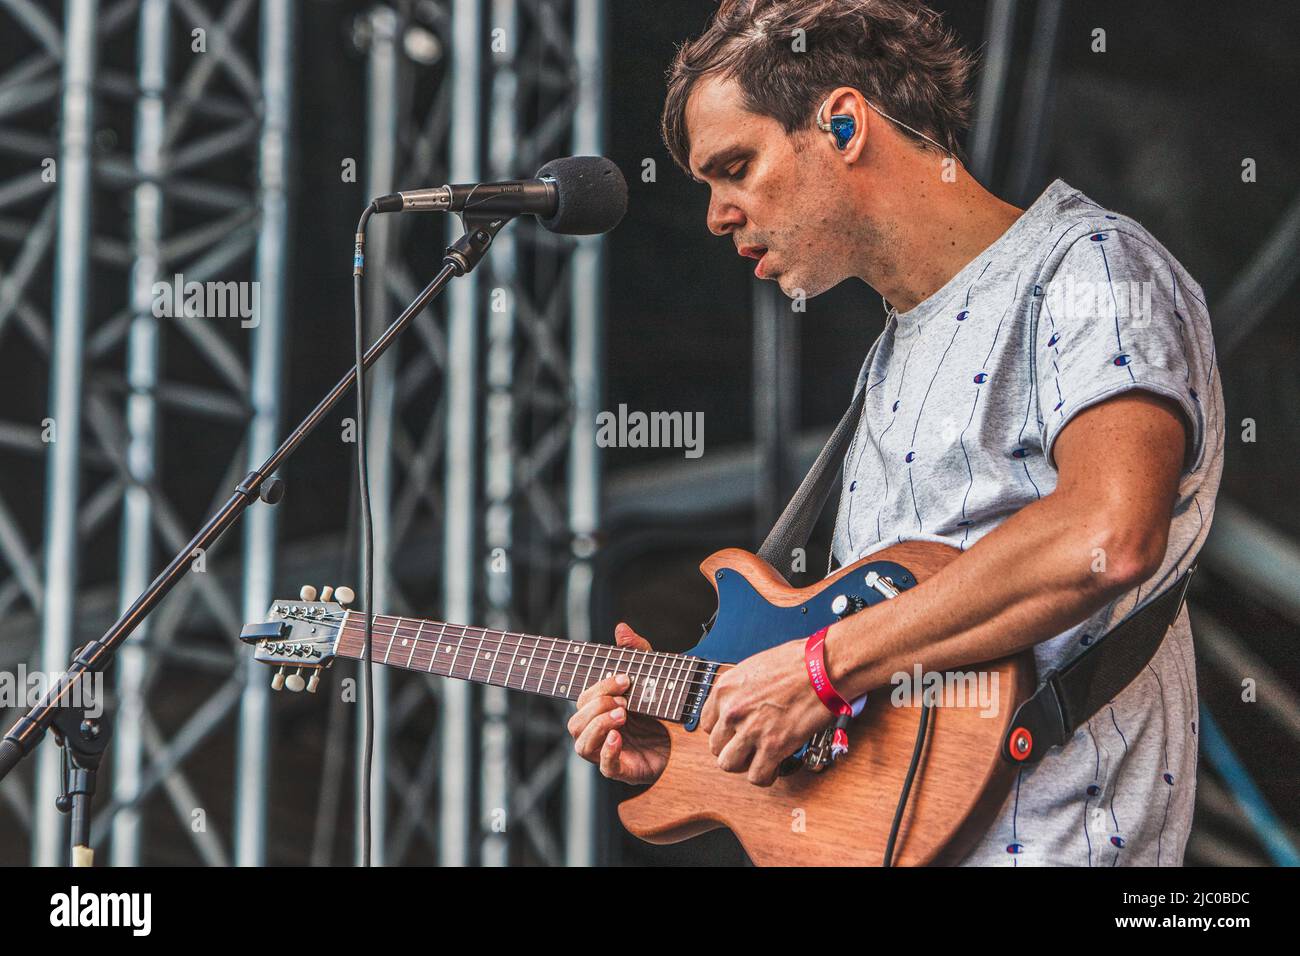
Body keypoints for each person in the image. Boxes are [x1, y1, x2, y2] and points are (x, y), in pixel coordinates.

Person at [567, 0, 1222, 866]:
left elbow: (1107, 533)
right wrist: (706, 749)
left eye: (735, 166)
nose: (717, 215)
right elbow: (895, 720)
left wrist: (816, 667)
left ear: (843, 123)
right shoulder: (887, 364)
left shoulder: (1090, 266)